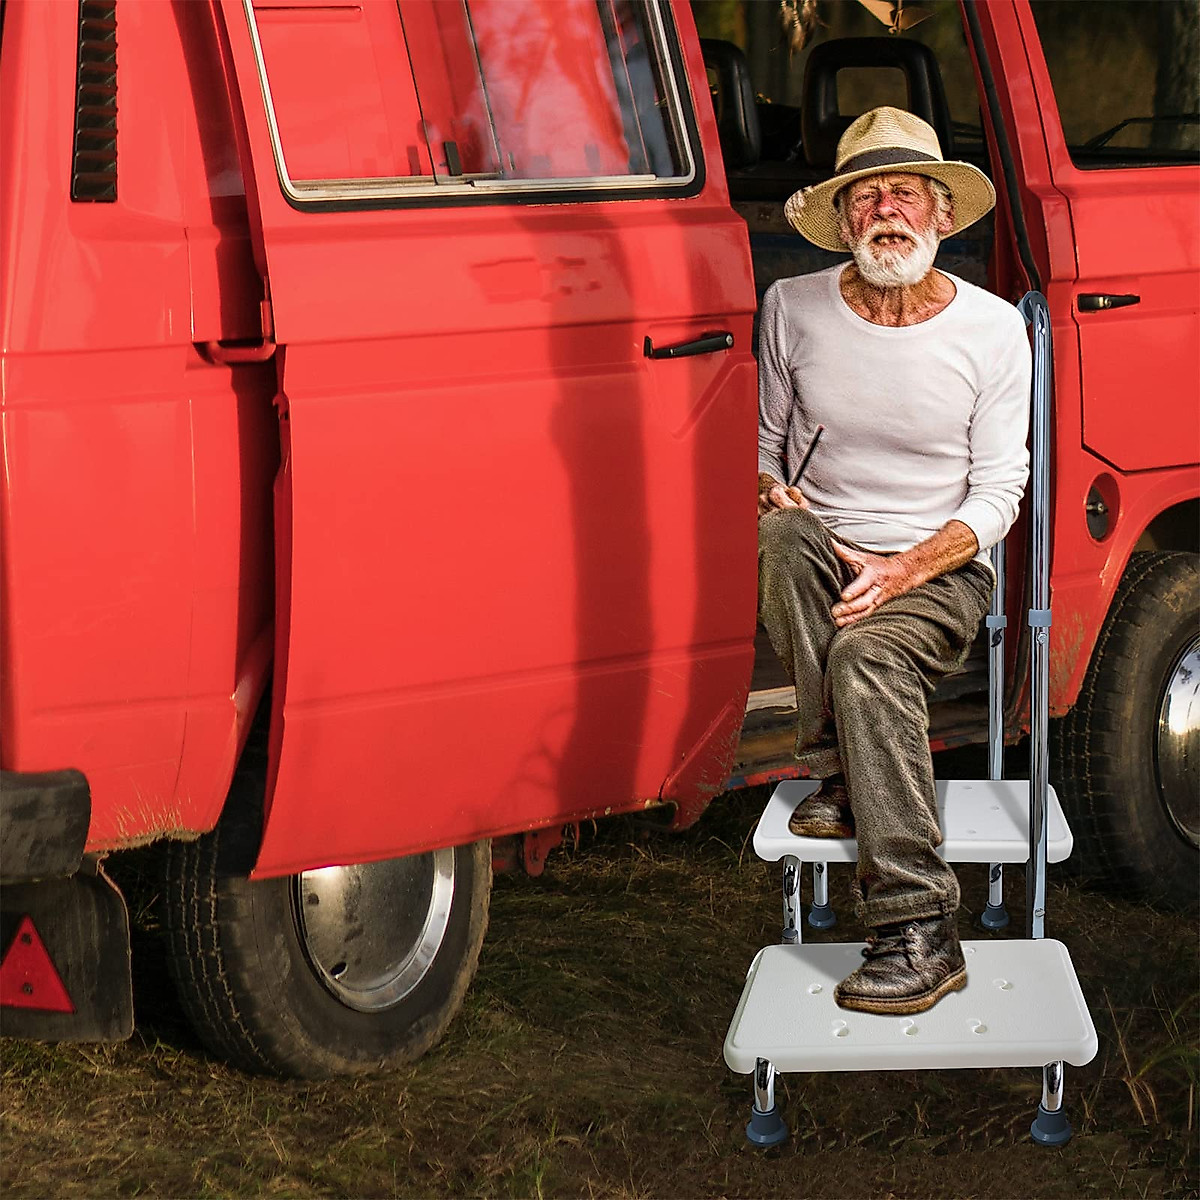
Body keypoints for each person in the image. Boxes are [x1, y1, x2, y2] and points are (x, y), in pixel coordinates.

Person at [756, 106, 1030, 1016]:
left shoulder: (992, 332)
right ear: (841, 220)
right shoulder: (790, 308)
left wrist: (908, 569)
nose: (886, 209)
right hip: (826, 552)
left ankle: (920, 930)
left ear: (941, 215)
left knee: (868, 654)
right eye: (865, 194)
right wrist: (772, 490)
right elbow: (762, 448)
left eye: (905, 192)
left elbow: (999, 494)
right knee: (778, 539)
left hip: (941, 569)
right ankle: (840, 766)